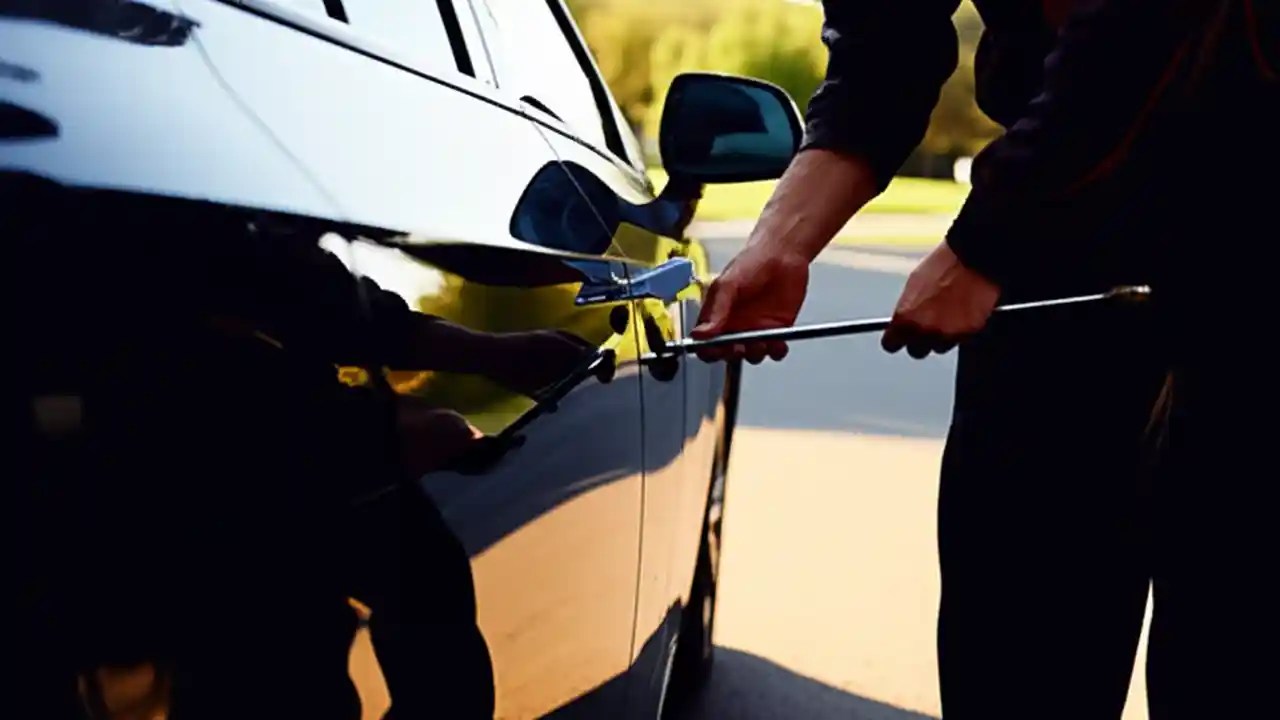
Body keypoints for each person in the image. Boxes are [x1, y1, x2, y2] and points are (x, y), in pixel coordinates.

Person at [692, 1, 1277, 717]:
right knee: (1018, 660)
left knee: (1234, 660)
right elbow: (883, 51)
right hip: (1059, 250)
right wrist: (779, 243)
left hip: (1245, 235)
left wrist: (992, 236)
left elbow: (1147, 23)